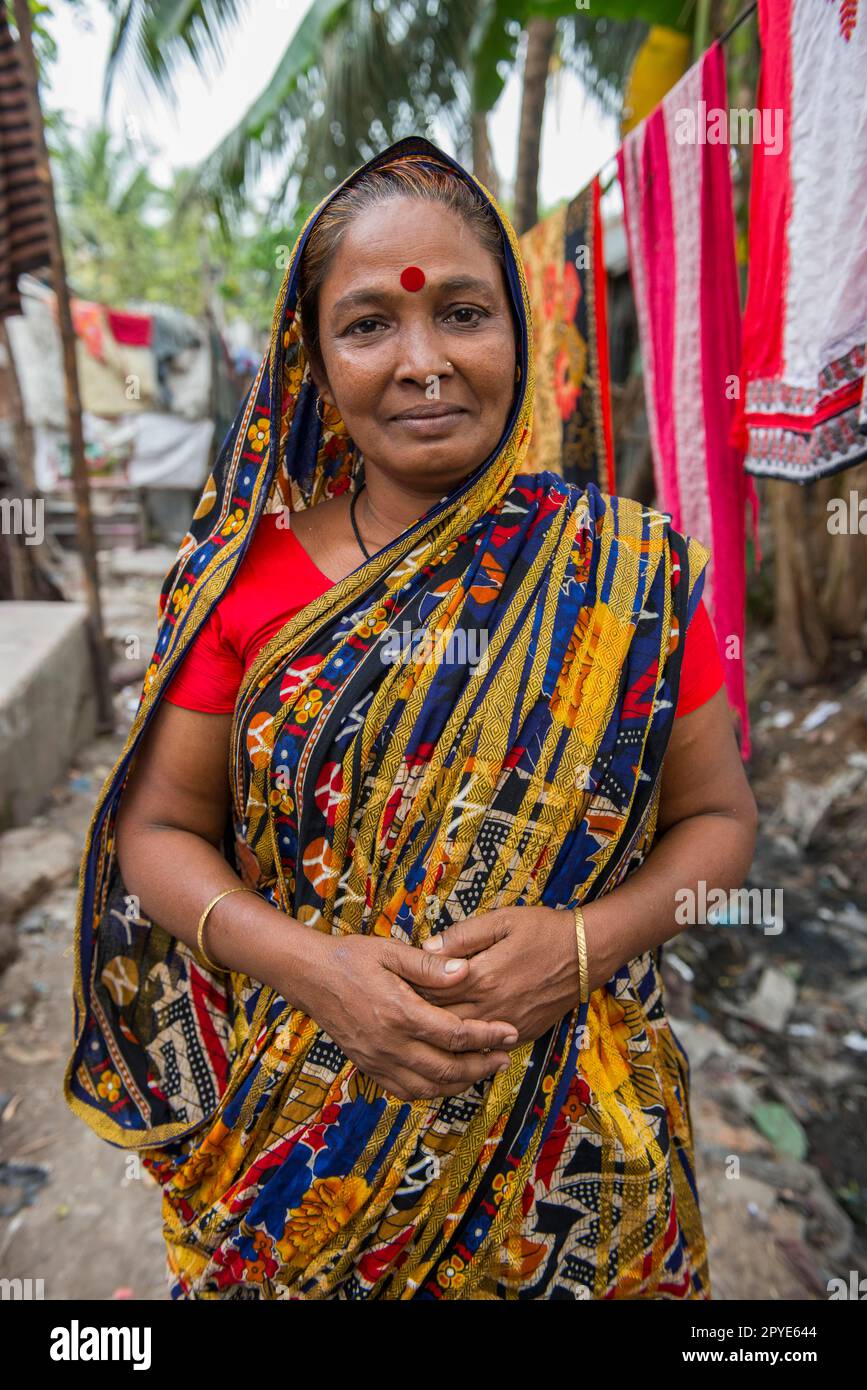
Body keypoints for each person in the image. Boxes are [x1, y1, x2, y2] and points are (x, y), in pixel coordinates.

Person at [64, 136, 757, 1300]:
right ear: (314, 359)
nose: (424, 361)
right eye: (370, 323)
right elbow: (156, 836)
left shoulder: (629, 572)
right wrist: (315, 967)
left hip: (571, 1152)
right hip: (298, 1137)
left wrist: (580, 945)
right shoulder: (247, 579)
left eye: (465, 314)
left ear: (519, 333)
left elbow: (721, 824)